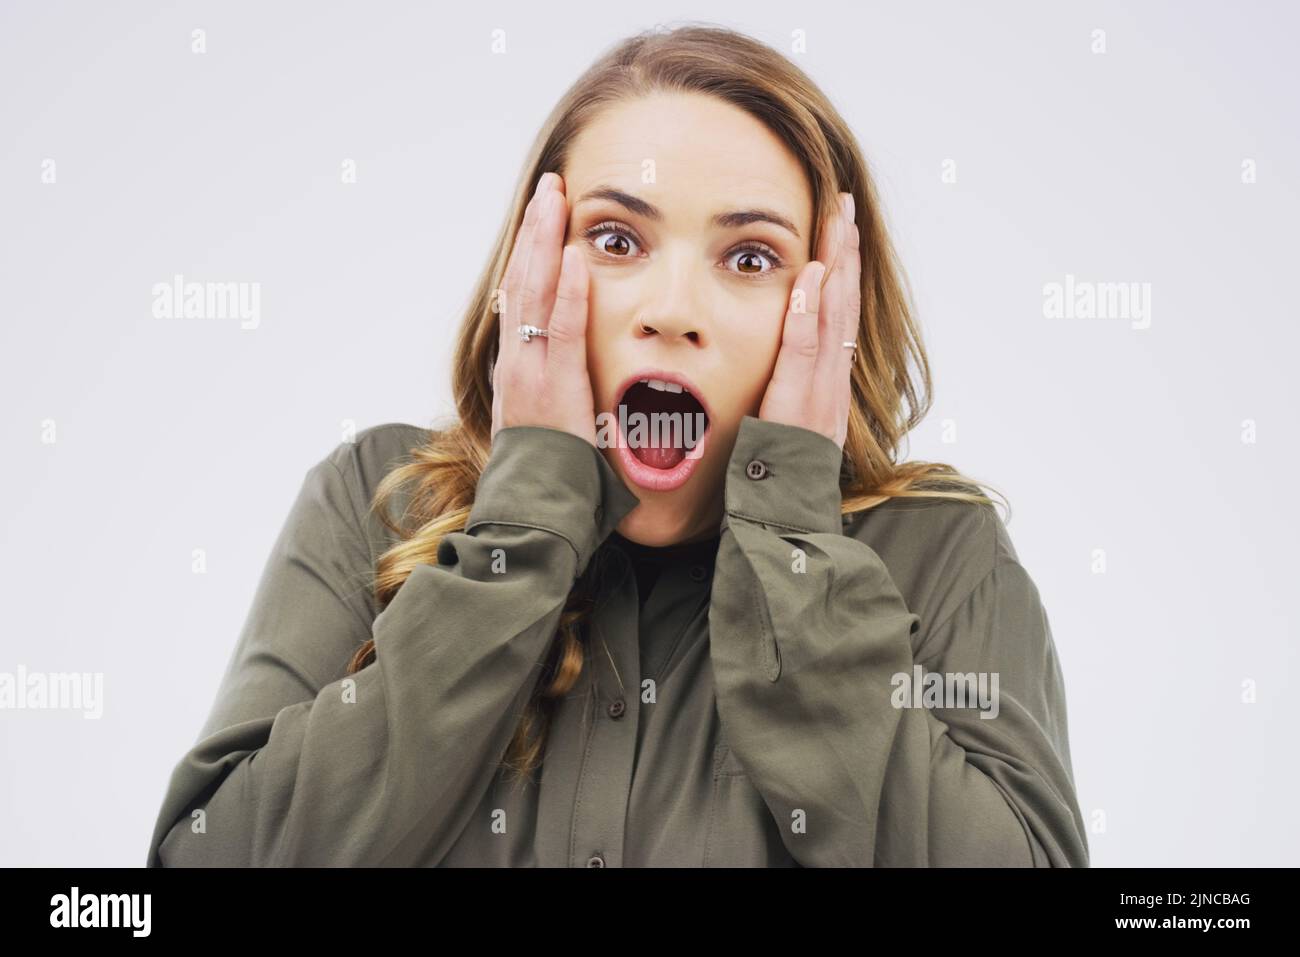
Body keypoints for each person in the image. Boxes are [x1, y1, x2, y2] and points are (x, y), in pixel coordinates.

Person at [146, 24, 1089, 867]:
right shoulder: (377, 498)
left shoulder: (939, 551)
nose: (672, 311)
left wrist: (796, 551)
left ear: (831, 301)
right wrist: (525, 522)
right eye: (616, 239)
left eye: (750, 258)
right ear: (531, 266)